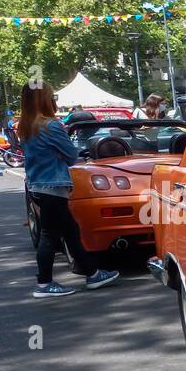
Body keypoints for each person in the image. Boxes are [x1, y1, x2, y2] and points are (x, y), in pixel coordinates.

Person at [20, 82, 119, 299]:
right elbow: (71, 155)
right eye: (51, 96)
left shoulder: (26, 127)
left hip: (37, 184)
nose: (54, 100)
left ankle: (92, 274)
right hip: (53, 186)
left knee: (70, 231)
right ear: (44, 100)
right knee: (50, 236)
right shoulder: (50, 126)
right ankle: (44, 283)